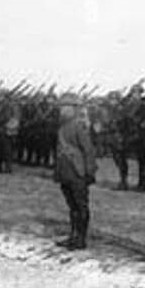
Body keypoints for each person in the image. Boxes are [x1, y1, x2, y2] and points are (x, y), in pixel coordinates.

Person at [55, 93, 97, 250]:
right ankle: (74, 235)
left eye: (64, 107)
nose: (61, 111)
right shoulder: (63, 126)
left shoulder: (79, 126)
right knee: (72, 206)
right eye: (61, 107)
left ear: (73, 109)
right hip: (66, 172)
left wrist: (89, 172)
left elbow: (88, 150)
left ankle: (81, 238)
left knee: (81, 206)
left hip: (78, 172)